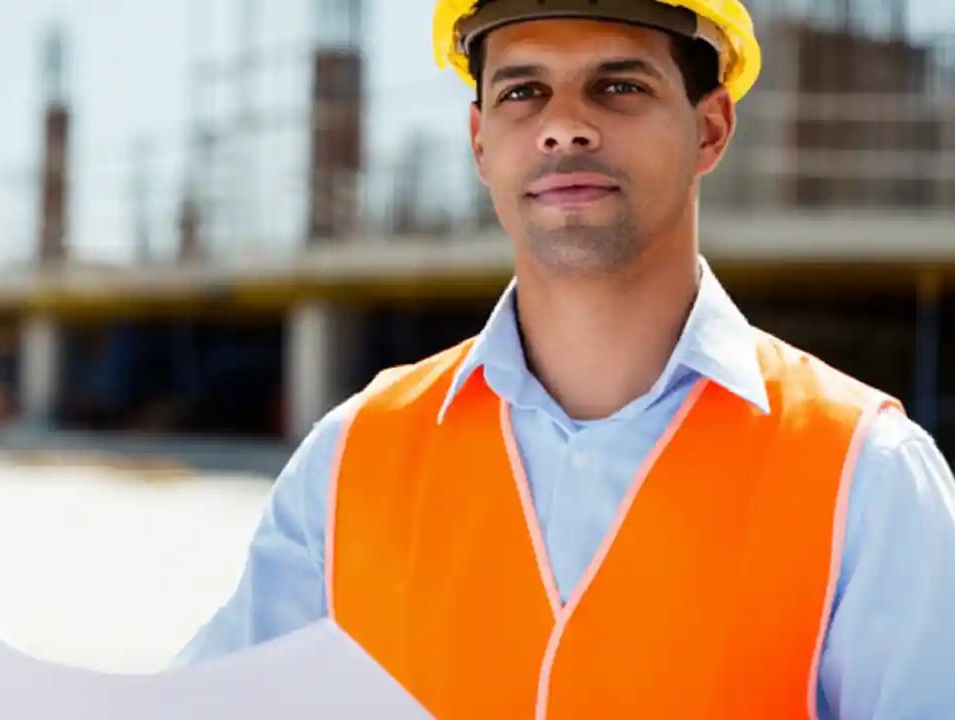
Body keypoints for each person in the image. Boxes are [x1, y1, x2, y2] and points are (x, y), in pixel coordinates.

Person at [175, 1, 955, 717]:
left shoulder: (864, 476)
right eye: (523, 93)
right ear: (481, 142)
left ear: (711, 130)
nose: (564, 127)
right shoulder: (349, 463)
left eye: (618, 87)